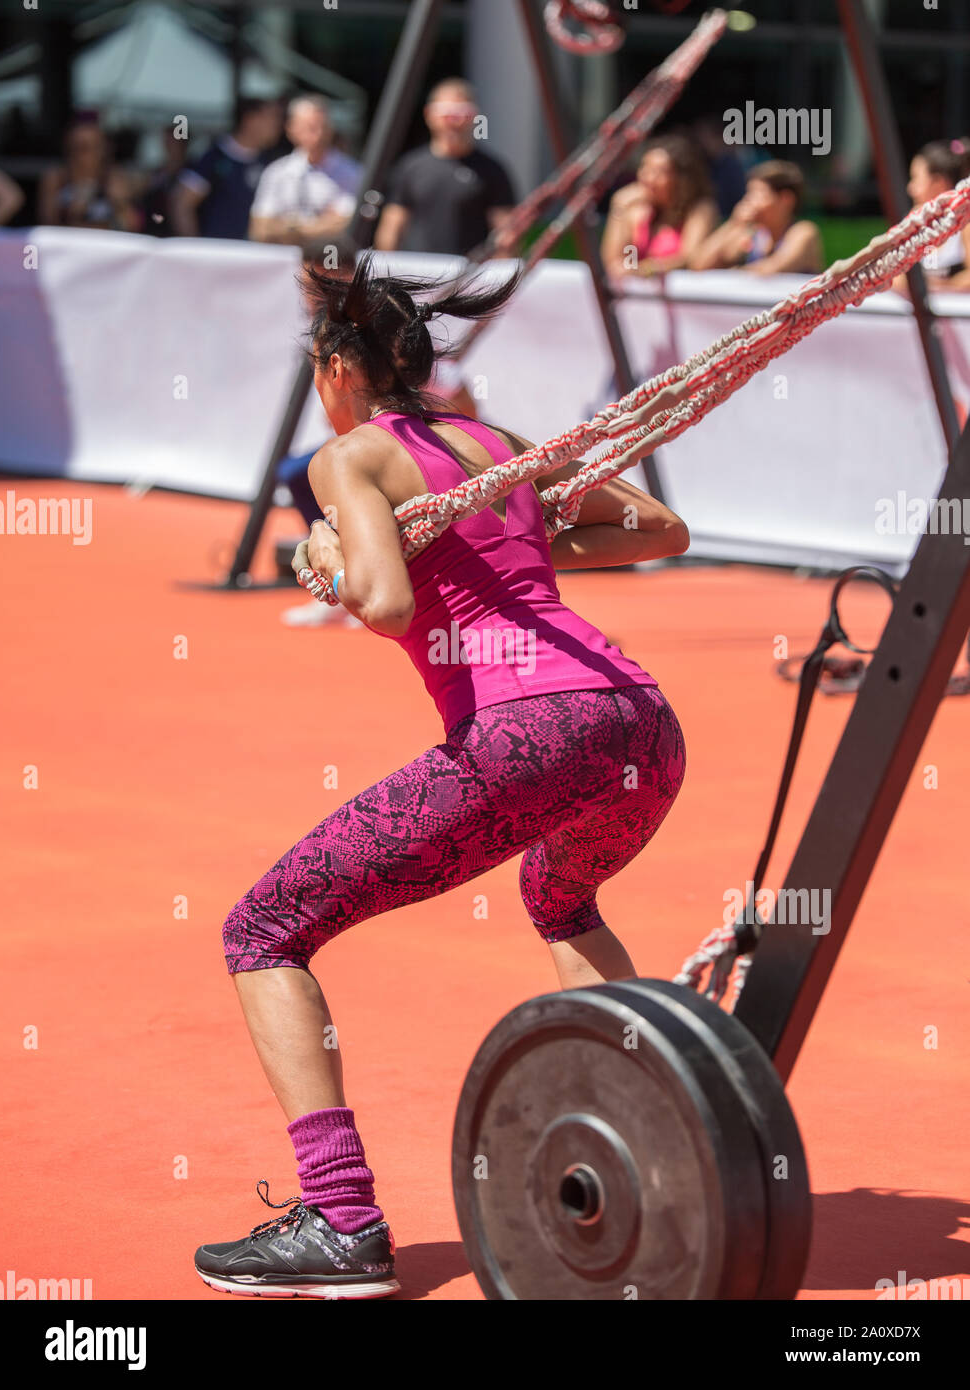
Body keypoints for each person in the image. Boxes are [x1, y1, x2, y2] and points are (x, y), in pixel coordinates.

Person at [193, 257, 689, 1299]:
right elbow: (659, 527)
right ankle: (669, 1143)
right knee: (559, 897)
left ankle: (340, 1220)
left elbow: (379, 601)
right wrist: (520, 547)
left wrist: (326, 556)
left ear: (340, 369)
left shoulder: (355, 455)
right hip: (639, 723)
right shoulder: (494, 445)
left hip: (526, 732)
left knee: (261, 930)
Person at [278, 238, 480, 629]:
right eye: (307, 282)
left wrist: (434, 438)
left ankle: (362, 578)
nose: (310, 294)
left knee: (336, 479)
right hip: (372, 443)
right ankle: (354, 577)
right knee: (297, 474)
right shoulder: (332, 336)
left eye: (321, 279)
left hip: (410, 448)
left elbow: (463, 402)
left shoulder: (385, 336)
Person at [374, 78, 517, 257]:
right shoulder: (410, 166)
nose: (454, 122)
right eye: (446, 114)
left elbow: (505, 235)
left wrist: (500, 279)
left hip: (469, 277)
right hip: (416, 274)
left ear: (475, 117)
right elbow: (391, 227)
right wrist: (385, 274)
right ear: (429, 115)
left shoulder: (492, 170)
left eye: (462, 114)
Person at [601, 133, 719, 279]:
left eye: (659, 172)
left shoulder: (701, 209)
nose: (648, 178)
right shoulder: (637, 211)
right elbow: (617, 262)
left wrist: (647, 269)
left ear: (681, 179)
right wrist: (618, 208)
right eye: (645, 168)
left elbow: (689, 259)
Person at [249, 94, 361, 247]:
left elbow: (348, 225)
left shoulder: (351, 172)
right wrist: (321, 225)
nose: (319, 135)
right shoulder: (276, 172)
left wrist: (289, 227)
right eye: (311, 128)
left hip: (330, 264)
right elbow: (260, 230)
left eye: (324, 127)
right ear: (291, 128)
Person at [172, 98, 283, 240]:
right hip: (218, 255)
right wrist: (195, 249)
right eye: (273, 117)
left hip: (255, 256)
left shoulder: (271, 163)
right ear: (250, 119)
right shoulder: (214, 158)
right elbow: (182, 204)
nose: (278, 125)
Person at [689, 160, 822, 275]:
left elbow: (773, 269)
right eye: (749, 194)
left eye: (758, 194)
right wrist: (732, 224)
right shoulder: (750, 235)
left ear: (786, 199)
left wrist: (735, 272)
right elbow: (699, 265)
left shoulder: (803, 232)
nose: (749, 201)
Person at [890, 138, 970, 295]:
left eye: (915, 179)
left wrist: (939, 286)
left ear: (939, 184)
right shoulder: (912, 223)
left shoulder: (965, 223)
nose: (910, 189)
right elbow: (894, 276)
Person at [38, 115, 138, 231]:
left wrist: (120, 205)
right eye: (73, 147)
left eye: (86, 148)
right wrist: (73, 213)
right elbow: (47, 224)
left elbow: (132, 226)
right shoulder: (56, 179)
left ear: (103, 150)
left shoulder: (113, 179)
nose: (78, 155)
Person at [138, 125, 189, 237]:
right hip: (154, 231)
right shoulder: (156, 174)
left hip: (179, 234)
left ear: (183, 144)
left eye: (174, 142)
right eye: (167, 142)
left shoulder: (192, 176)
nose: (170, 146)